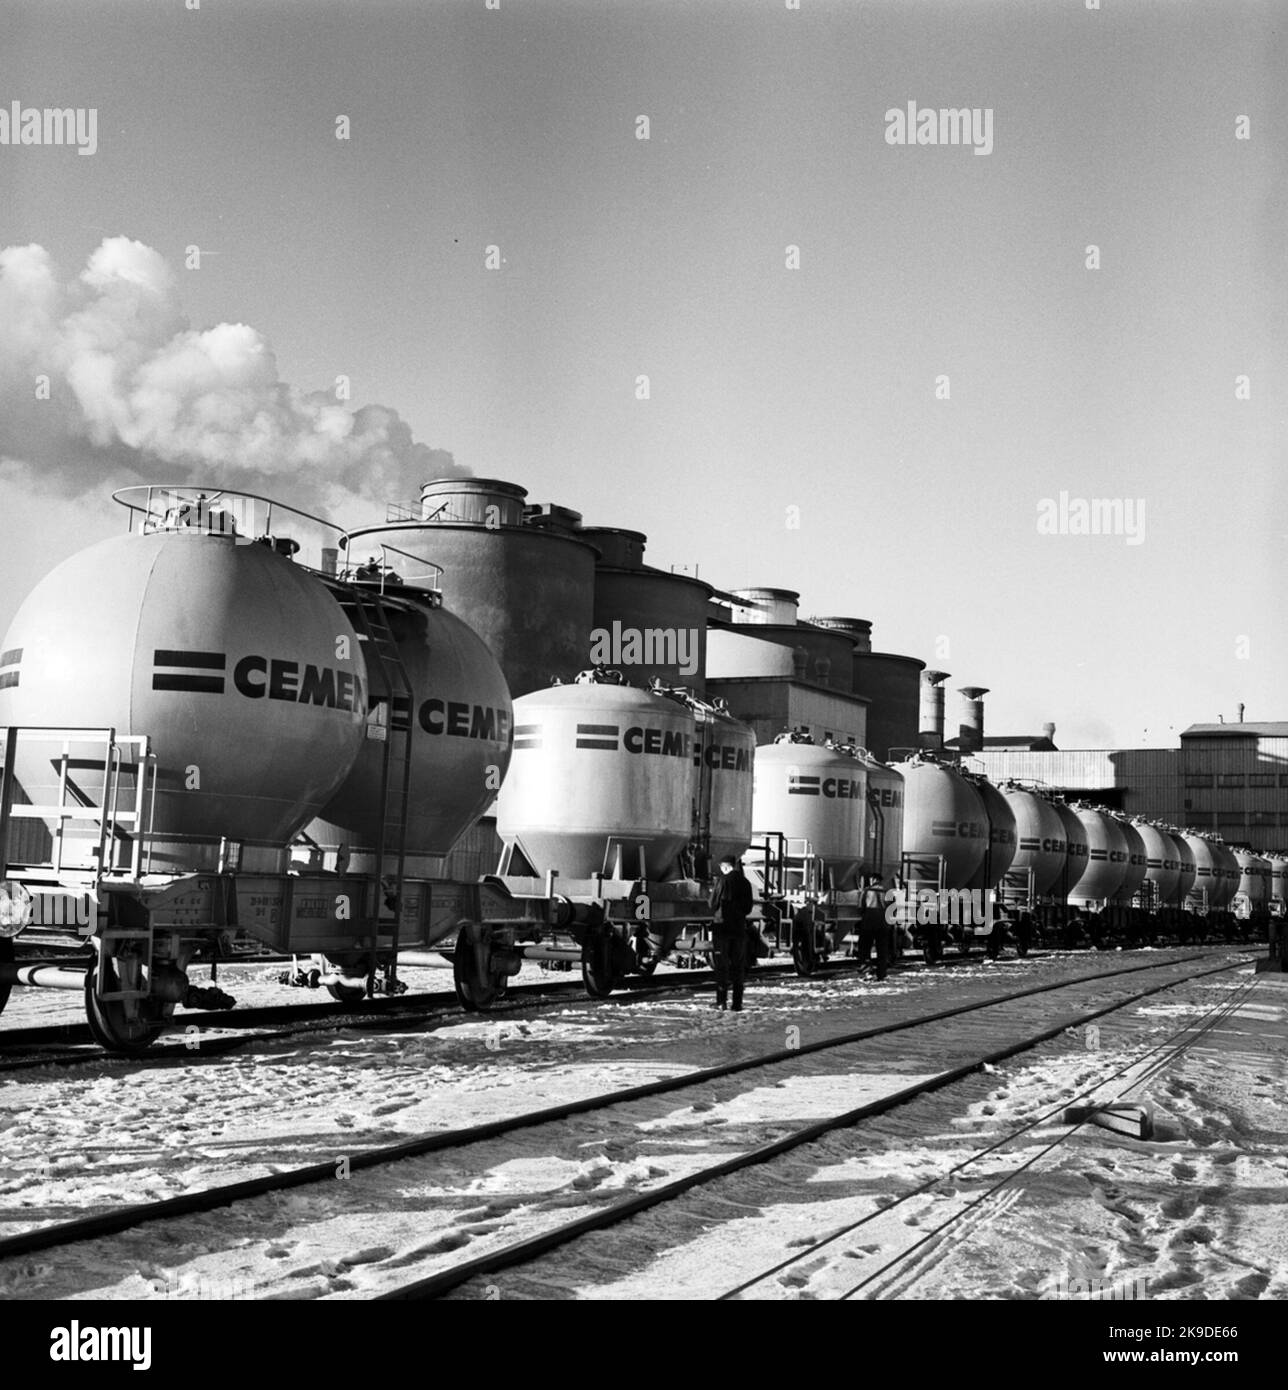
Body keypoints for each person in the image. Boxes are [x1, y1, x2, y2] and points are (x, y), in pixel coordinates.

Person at [709, 855, 753, 1010]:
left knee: (722, 967)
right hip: (739, 930)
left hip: (722, 929)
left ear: (726, 867)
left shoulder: (722, 881)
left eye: (722, 867)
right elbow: (748, 908)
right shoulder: (746, 883)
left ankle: (721, 1002)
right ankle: (737, 1003)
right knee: (738, 967)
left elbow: (712, 904)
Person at [856, 875, 891, 980]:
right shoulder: (887, 892)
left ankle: (868, 970)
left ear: (874, 880)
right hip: (883, 925)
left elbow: (861, 907)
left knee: (865, 948)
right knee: (882, 950)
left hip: (868, 924)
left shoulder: (866, 891)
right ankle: (881, 974)